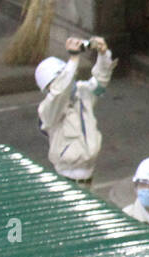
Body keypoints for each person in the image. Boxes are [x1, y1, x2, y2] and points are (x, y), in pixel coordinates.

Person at [36, 35, 116, 188]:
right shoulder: (48, 110)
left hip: (89, 177)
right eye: (60, 78)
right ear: (48, 87)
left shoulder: (81, 92)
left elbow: (100, 81)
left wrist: (103, 54)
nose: (69, 82)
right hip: (66, 180)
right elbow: (59, 92)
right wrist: (73, 59)